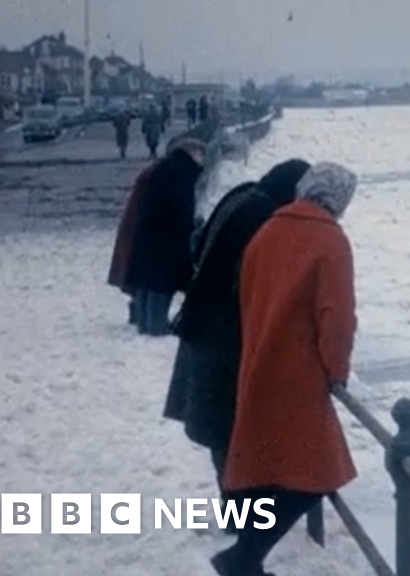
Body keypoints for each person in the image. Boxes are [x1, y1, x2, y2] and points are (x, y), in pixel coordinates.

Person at [211, 163, 359, 576]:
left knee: (266, 467)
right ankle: (241, 558)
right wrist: (336, 371)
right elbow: (337, 318)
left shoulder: (268, 231)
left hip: (259, 362)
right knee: (316, 474)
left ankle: (246, 559)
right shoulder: (330, 240)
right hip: (300, 375)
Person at [162, 159, 311, 533]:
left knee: (225, 432)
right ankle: (243, 519)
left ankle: (241, 515)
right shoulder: (262, 217)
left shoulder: (244, 196)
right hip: (224, 338)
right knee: (231, 431)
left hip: (205, 324)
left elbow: (202, 249)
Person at [125, 139, 207, 336]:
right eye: (200, 154)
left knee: (147, 282)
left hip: (149, 235)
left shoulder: (164, 169)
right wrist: (190, 227)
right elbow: (180, 208)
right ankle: (156, 327)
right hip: (166, 239)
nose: (202, 159)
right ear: (191, 153)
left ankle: (145, 324)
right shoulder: (181, 173)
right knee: (161, 284)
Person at [107, 137, 190, 324]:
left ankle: (141, 316)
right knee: (151, 282)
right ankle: (147, 321)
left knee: (142, 280)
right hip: (147, 239)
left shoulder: (155, 173)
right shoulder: (165, 176)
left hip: (140, 237)